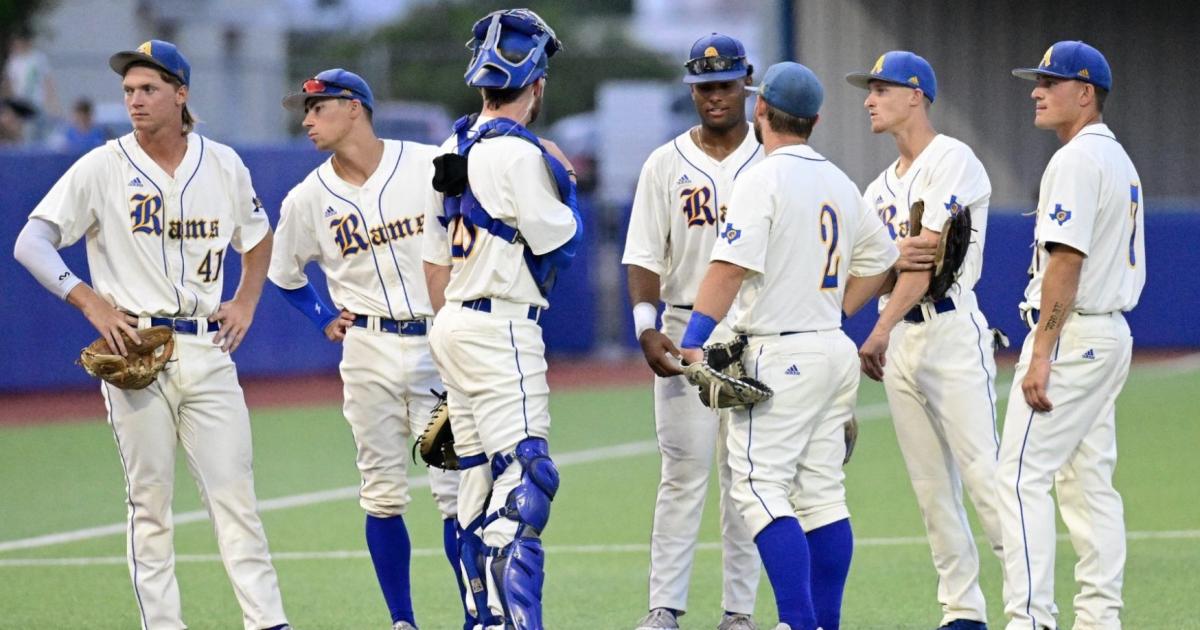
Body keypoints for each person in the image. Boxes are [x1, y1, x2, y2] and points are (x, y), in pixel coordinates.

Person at [11, 40, 289, 630]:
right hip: (135, 347)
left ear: (181, 94)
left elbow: (259, 234)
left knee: (236, 498)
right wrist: (88, 300)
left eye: (148, 89)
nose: (134, 100)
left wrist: (246, 298)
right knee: (150, 505)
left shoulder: (223, 164)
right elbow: (30, 242)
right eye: (129, 91)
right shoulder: (102, 165)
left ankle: (268, 623)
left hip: (208, 348)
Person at [679, 62, 898, 630]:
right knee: (822, 497)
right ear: (816, 119)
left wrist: (693, 342)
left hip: (783, 354)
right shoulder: (839, 180)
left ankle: (799, 623)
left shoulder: (764, 179)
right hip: (831, 347)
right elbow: (883, 261)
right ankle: (824, 622)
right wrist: (833, 311)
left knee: (758, 487)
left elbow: (727, 268)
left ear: (759, 110)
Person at [269, 68, 462, 630]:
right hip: (368, 349)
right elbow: (286, 274)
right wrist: (323, 317)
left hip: (439, 340)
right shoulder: (307, 198)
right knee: (381, 493)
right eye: (304, 111)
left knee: (456, 492)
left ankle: (478, 615)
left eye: (318, 107)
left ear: (354, 108)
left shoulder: (428, 163)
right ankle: (402, 621)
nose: (306, 120)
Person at [421, 8, 582, 630]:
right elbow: (562, 241)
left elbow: (434, 263)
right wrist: (563, 176)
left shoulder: (449, 144)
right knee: (527, 480)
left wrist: (452, 338)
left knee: (475, 480)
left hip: (454, 320)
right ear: (536, 83)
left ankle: (480, 619)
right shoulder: (520, 155)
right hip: (500, 326)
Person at [846, 51, 1002, 630]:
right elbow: (875, 271)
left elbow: (929, 262)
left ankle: (1031, 609)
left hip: (950, 333)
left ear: (916, 95)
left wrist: (877, 329)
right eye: (869, 90)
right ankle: (962, 613)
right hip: (901, 343)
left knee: (985, 476)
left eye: (881, 89)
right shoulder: (877, 187)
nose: (869, 99)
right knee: (931, 489)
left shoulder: (951, 159)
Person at [997, 41, 1143, 630]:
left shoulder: (1078, 160)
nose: (1037, 89)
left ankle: (1030, 621)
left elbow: (1066, 263)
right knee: (1088, 483)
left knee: (1019, 476)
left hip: (1076, 338)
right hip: (1105, 336)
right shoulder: (1117, 159)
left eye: (1050, 82)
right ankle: (1100, 618)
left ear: (1085, 94)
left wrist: (1041, 352)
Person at [621, 31, 763, 630]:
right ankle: (665, 608)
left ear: (746, 85)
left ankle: (739, 611)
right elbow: (643, 255)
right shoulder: (665, 162)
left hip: (756, 329)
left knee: (747, 479)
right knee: (683, 472)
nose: (713, 95)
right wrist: (646, 326)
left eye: (725, 84)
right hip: (683, 327)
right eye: (704, 86)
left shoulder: (773, 157)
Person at [1, 27, 59, 142]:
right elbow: (10, 83)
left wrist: (52, 103)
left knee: (32, 132)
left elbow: (47, 82)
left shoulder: (38, 59)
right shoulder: (14, 61)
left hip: (34, 102)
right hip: (19, 103)